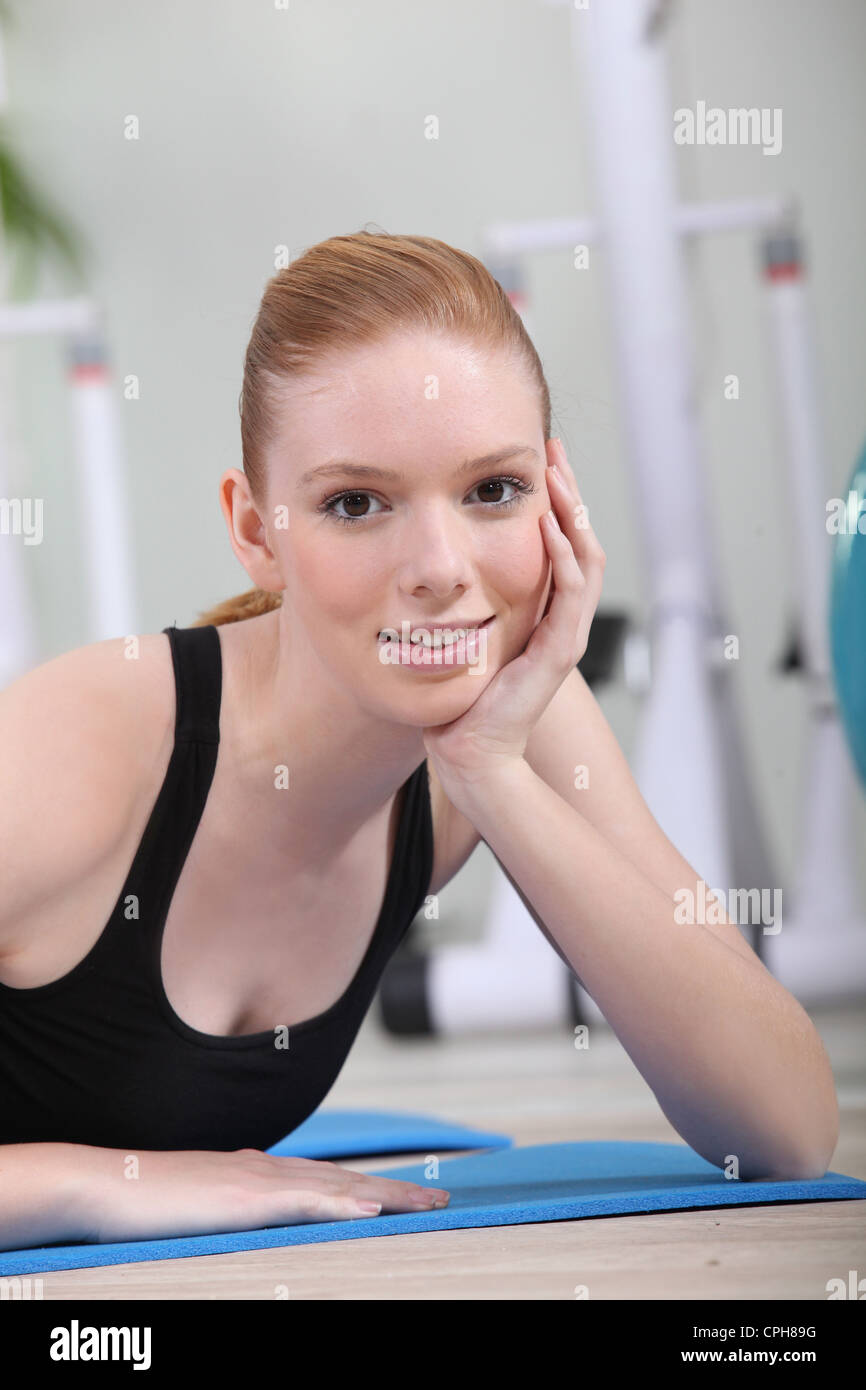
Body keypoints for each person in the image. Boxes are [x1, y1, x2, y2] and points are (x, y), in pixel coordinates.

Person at [0, 231, 838, 1253]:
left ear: (556, 498)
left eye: (492, 490)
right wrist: (96, 1188)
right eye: (356, 503)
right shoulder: (75, 755)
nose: (440, 567)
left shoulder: (518, 717)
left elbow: (782, 1130)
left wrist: (490, 771)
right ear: (257, 530)